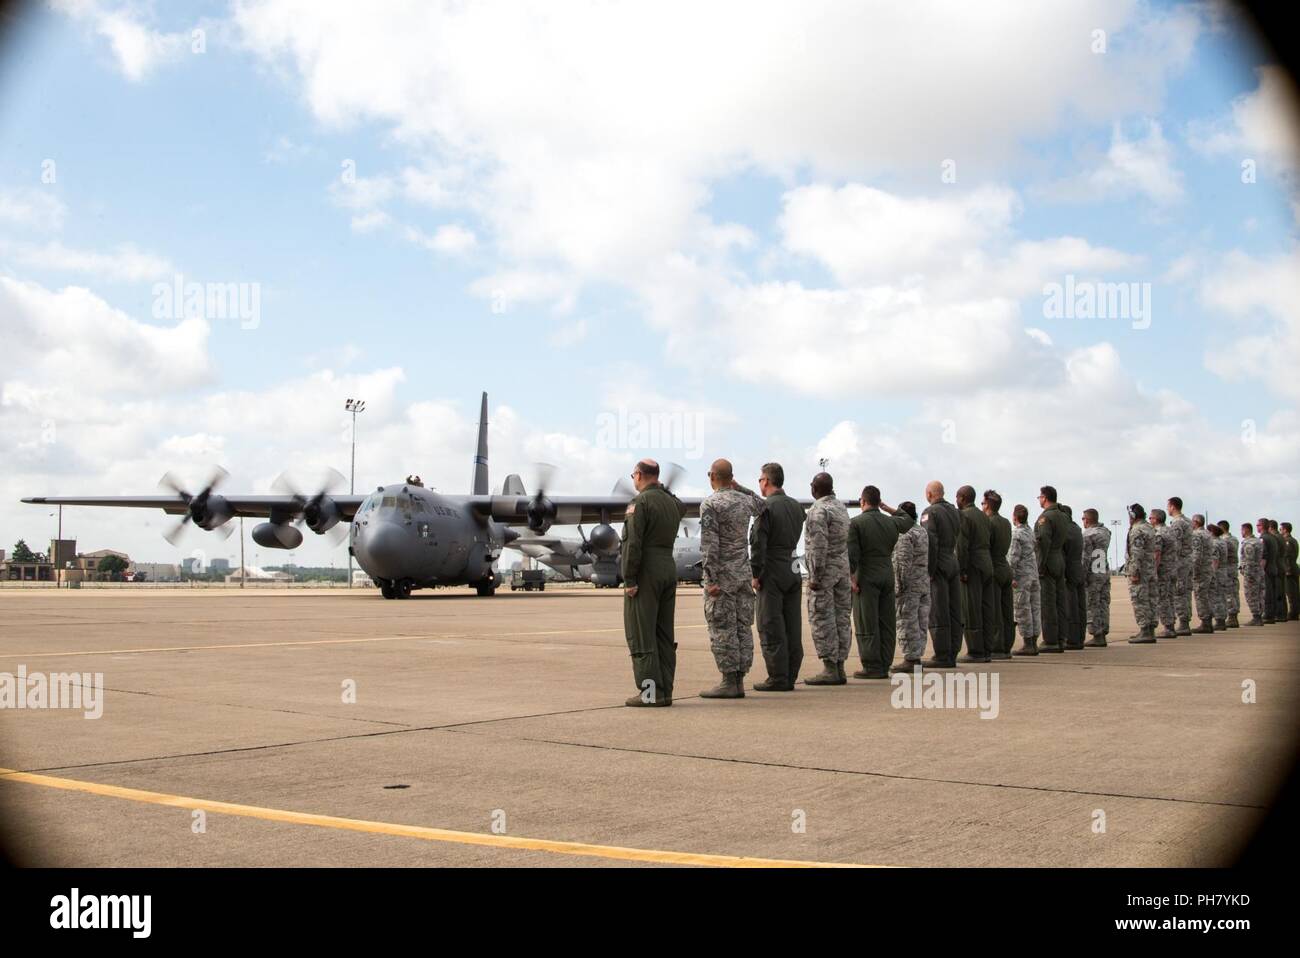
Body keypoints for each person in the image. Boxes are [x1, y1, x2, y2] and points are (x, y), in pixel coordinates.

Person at [697, 459, 765, 700]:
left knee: (722, 627)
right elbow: (762, 505)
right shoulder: (744, 500)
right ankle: (740, 680)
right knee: (742, 627)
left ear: (712, 475)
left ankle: (729, 681)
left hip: (723, 577)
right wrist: (741, 487)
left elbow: (709, 546)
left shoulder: (711, 504)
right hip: (743, 574)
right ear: (731, 477)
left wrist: (711, 579)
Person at [621, 459, 686, 706]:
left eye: (633, 475)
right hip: (668, 567)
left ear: (638, 475)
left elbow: (632, 543)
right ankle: (665, 690)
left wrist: (629, 578)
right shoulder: (671, 502)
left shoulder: (639, 503)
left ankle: (650, 694)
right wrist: (662, 488)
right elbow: (679, 507)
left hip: (646, 571)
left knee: (640, 634)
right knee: (663, 634)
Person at [750, 462, 807, 691]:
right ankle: (791, 674)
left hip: (772, 568)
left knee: (770, 623)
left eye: (760, 479)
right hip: (793, 565)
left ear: (766, 481)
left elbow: (757, 544)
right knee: (793, 624)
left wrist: (756, 573)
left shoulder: (765, 508)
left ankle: (778, 677)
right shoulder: (796, 507)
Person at [803, 472, 852, 686]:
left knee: (823, 619)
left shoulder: (818, 510)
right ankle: (840, 666)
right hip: (842, 570)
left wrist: (815, 574)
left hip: (825, 573)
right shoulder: (840, 508)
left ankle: (830, 668)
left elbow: (818, 545)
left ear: (815, 488)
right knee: (841, 618)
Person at [848, 485, 900, 679]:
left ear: (862, 501)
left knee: (866, 621)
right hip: (887, 573)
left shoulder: (856, 523)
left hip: (866, 575)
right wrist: (891, 510)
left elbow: (852, 555)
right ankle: (885, 662)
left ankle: (871, 665)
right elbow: (907, 522)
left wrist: (851, 579)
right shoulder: (891, 523)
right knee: (887, 622)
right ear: (879, 502)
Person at [956, 485, 995, 663]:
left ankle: (975, 650)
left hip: (973, 564)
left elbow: (962, 546)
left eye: (957, 497)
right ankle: (987, 648)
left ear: (962, 498)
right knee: (987, 607)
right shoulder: (984, 516)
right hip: (987, 562)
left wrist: (962, 569)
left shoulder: (964, 516)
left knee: (971, 609)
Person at [890, 501, 931, 672]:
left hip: (909, 583)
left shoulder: (904, 534)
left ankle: (911, 658)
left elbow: (902, 562)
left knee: (907, 620)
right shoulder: (922, 531)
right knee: (921, 620)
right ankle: (917, 655)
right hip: (923, 581)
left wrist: (899, 586)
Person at [1034, 485, 1072, 652]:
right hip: (1060, 560)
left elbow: (1043, 542)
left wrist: (1040, 566)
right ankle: (1061, 637)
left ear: (1045, 498)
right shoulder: (1063, 516)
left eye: (1039, 497)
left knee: (1048, 603)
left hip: (1048, 561)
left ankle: (1050, 640)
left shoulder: (1046, 518)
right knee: (1060, 602)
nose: (1039, 500)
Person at [983, 490, 1015, 659]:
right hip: (1005, 566)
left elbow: (986, 546)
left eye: (983, 503)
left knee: (994, 610)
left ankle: (996, 646)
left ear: (987, 505)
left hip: (994, 567)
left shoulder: (989, 523)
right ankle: (1007, 645)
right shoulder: (1006, 522)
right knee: (1007, 611)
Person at [1008, 504, 1043, 655]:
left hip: (1022, 577)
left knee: (1023, 609)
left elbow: (1013, 557)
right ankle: (1034, 641)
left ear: (1015, 517)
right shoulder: (1030, 532)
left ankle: (1028, 643)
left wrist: (1011, 575)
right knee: (1035, 608)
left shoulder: (1016, 534)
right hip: (1033, 575)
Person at [1126, 503, 1158, 643]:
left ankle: (1145, 630)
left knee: (1139, 600)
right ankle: (1150, 629)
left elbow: (1136, 553)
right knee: (1151, 600)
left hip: (1141, 570)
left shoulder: (1137, 530)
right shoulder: (1150, 528)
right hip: (1150, 569)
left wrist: (1133, 571)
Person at [1081, 508, 1111, 646]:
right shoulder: (1105, 532)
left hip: (1092, 573)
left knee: (1092, 604)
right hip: (1103, 571)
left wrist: (1081, 574)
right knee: (1103, 603)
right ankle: (1103, 631)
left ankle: (1097, 634)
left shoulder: (1088, 535)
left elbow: (1085, 558)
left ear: (1087, 520)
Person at [1060, 504, 1087, 649]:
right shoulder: (1077, 528)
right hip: (1078, 568)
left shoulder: (1066, 529)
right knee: (1080, 606)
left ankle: (1071, 638)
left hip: (1069, 569)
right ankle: (1079, 637)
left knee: (1070, 605)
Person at [1149, 509, 1178, 639]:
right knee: (1170, 598)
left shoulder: (1158, 533)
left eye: (1151, 518)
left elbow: (1157, 554)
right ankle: (1171, 624)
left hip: (1163, 571)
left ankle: (1168, 627)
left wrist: (1153, 571)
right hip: (1172, 569)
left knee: (1163, 598)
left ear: (1156, 519)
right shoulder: (1171, 531)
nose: (1150, 521)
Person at [1167, 498, 1194, 635]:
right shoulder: (1188, 521)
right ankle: (1185, 621)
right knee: (1186, 592)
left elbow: (1175, 545)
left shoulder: (1177, 523)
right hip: (1188, 560)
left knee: (1179, 592)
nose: (1168, 509)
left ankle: (1183, 623)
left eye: (1168, 506)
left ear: (1172, 507)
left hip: (1180, 561)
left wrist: (1171, 562)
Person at [1189, 515, 1217, 634]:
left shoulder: (1197, 535)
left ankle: (1205, 622)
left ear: (1196, 522)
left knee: (1200, 596)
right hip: (1208, 568)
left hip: (1200, 570)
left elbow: (1196, 555)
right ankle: (1208, 622)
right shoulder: (1208, 534)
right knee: (1207, 596)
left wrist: (1193, 571)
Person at [1240, 523, 1266, 626]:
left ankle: (1256, 617)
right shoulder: (1258, 541)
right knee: (1259, 594)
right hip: (1259, 571)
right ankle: (1259, 615)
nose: (1241, 532)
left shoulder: (1249, 544)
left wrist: (1247, 574)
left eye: (1242, 530)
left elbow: (1249, 561)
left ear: (1246, 530)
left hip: (1252, 573)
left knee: (1251, 594)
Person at [1217, 520, 1240, 628]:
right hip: (1233, 568)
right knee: (1234, 593)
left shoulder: (1224, 541)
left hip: (1226, 569)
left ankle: (1231, 617)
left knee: (1228, 594)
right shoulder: (1234, 539)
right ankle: (1233, 616)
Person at [1209, 523, 1229, 631]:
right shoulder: (1222, 541)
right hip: (1223, 572)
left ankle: (1220, 621)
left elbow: (1214, 561)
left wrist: (1212, 573)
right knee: (1222, 596)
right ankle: (1222, 620)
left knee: (1217, 597)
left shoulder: (1214, 543)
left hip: (1217, 573)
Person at [1259, 517, 1278, 624]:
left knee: (1267, 593)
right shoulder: (1273, 537)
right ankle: (1272, 614)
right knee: (1272, 592)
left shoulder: (1263, 538)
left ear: (1262, 526)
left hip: (1267, 568)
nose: (1257, 527)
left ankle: (1268, 615)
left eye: (1258, 525)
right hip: (1273, 567)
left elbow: (1263, 555)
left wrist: (1261, 570)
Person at [1283, 522, 1300, 621]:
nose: (1280, 531)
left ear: (1285, 530)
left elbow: (1288, 556)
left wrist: (1288, 569)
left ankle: (1293, 612)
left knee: (1291, 592)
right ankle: (1295, 611)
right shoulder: (1294, 540)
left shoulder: (1288, 541)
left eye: (1281, 529)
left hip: (1290, 570)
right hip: (1294, 568)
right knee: (1294, 591)